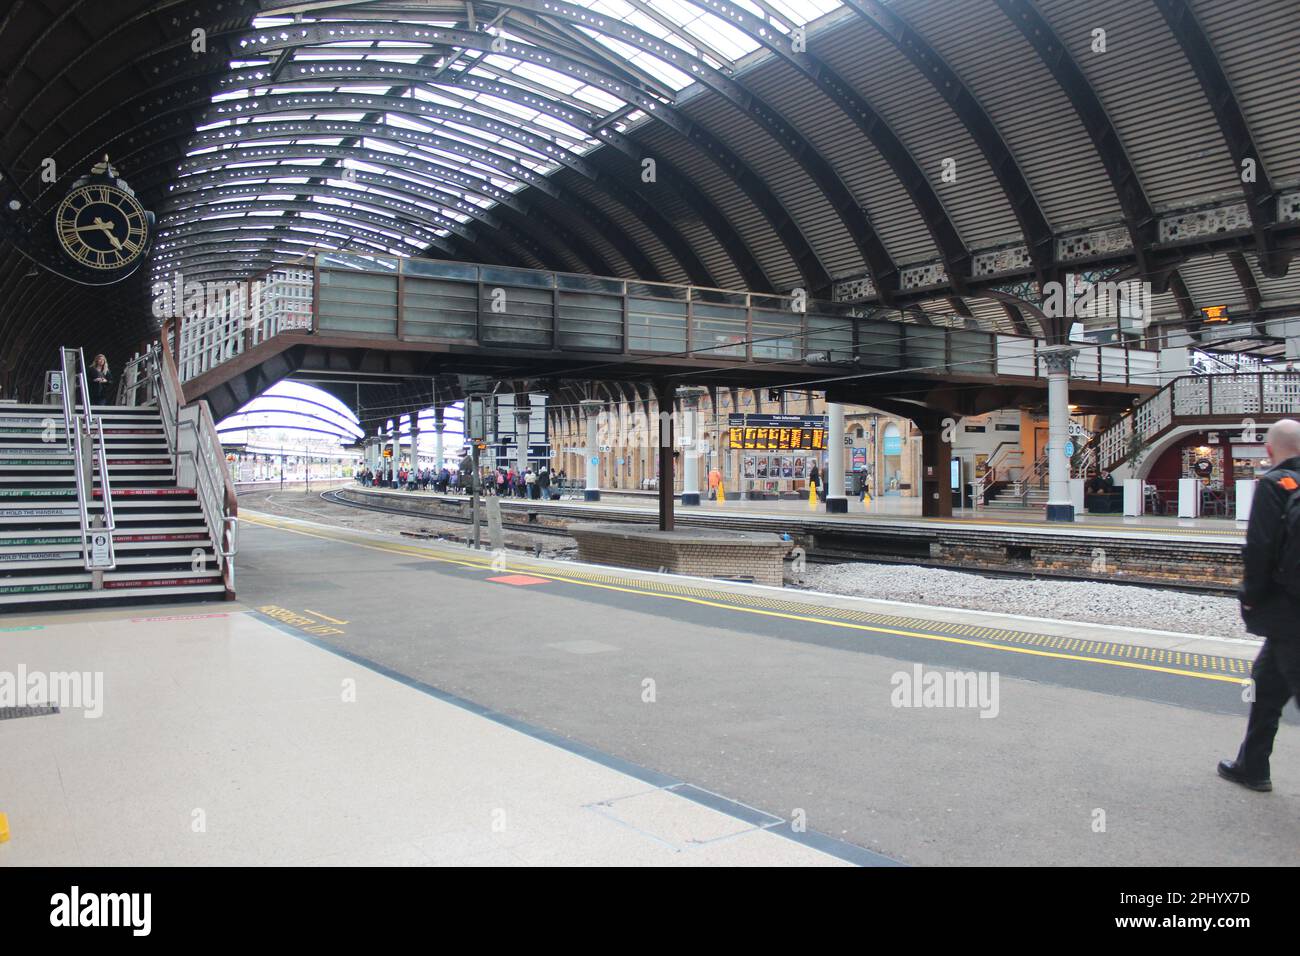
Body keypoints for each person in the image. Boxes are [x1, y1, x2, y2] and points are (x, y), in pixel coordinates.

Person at [1218, 418, 1300, 792]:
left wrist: (1250, 598)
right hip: (1288, 619)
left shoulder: (1273, 486)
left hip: (1289, 613)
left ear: (1269, 451)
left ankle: (1252, 766)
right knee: (1265, 684)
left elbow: (1261, 548)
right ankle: (1252, 766)